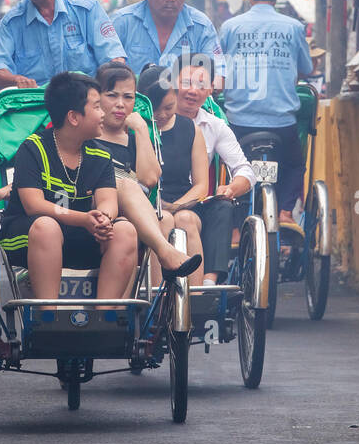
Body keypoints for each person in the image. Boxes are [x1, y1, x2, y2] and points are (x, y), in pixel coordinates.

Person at [0, 72, 136, 304]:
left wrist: (103, 219)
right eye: (97, 107)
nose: (103, 113)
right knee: (47, 226)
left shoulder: (101, 154)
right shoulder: (33, 148)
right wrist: (83, 219)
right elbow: (34, 205)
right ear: (73, 117)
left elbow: (108, 200)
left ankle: (105, 315)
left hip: (82, 234)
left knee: (125, 231)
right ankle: (48, 316)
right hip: (29, 237)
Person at [219, 0, 313, 224]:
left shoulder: (230, 27)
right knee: (294, 165)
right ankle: (285, 212)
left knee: (230, 166)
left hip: (239, 122)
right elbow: (306, 68)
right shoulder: (294, 27)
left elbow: (219, 67)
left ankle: (235, 226)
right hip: (282, 124)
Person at [95, 62, 202, 283]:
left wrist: (142, 129)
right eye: (112, 95)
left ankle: (156, 299)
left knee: (164, 220)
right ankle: (166, 253)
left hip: (131, 213)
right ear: (96, 97)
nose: (120, 104)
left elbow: (150, 179)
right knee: (125, 185)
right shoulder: (88, 131)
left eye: (128, 97)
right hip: (96, 207)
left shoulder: (135, 137)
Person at [175, 56, 256, 284]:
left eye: (201, 85)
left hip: (198, 203)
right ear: (172, 83)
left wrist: (231, 188)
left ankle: (209, 282)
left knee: (223, 206)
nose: (193, 91)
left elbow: (245, 170)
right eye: (186, 83)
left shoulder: (215, 125)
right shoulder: (155, 119)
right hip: (162, 200)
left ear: (211, 89)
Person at [138, 65, 208, 285]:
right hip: (145, 203)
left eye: (168, 107)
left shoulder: (191, 129)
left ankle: (195, 296)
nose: (161, 115)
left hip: (184, 202)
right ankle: (158, 294)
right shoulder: (135, 129)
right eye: (155, 109)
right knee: (163, 219)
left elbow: (201, 185)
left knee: (185, 220)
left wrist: (175, 206)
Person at [111, 0, 223, 81]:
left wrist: (204, 83)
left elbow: (218, 75)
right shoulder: (122, 22)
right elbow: (104, 73)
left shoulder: (202, 26)